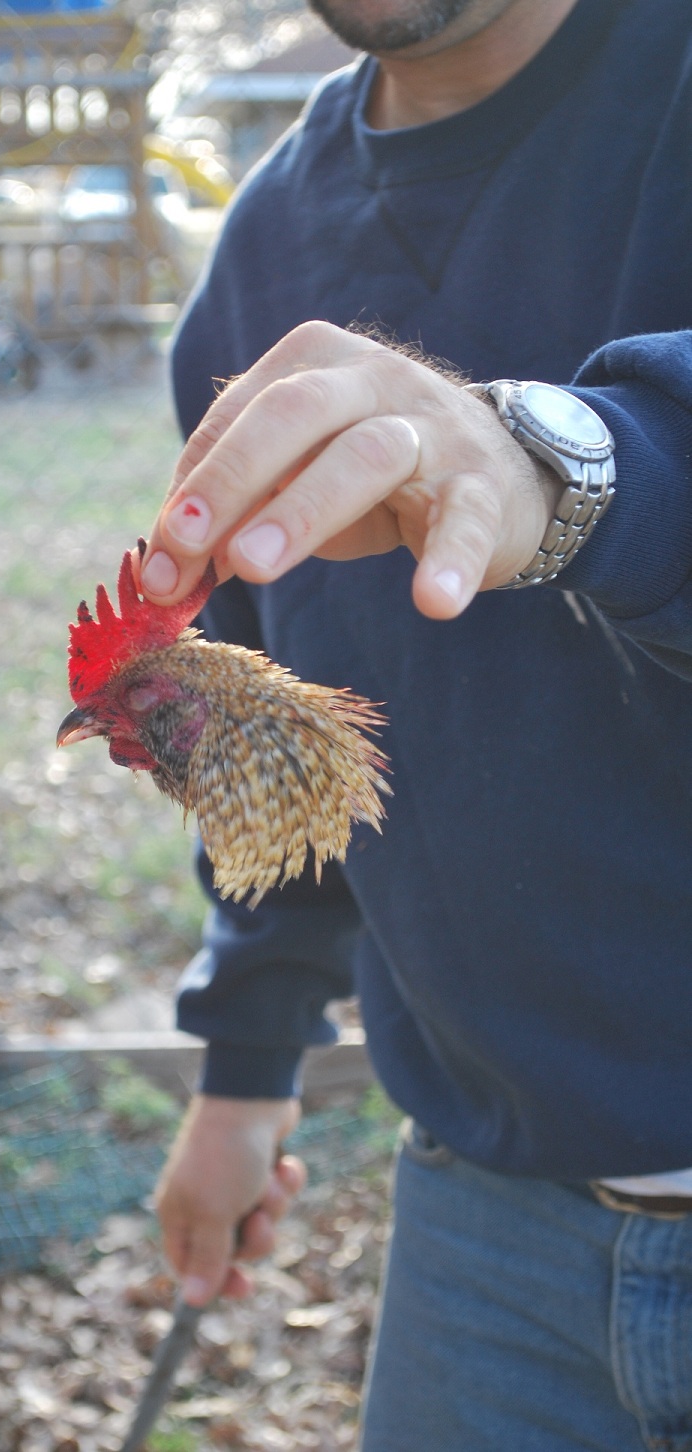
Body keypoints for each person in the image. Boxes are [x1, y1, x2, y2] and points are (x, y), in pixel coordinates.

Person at [136, 0, 692, 1447]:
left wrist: (570, 473)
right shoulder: (264, 258)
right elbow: (283, 724)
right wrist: (245, 1070)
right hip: (489, 1223)